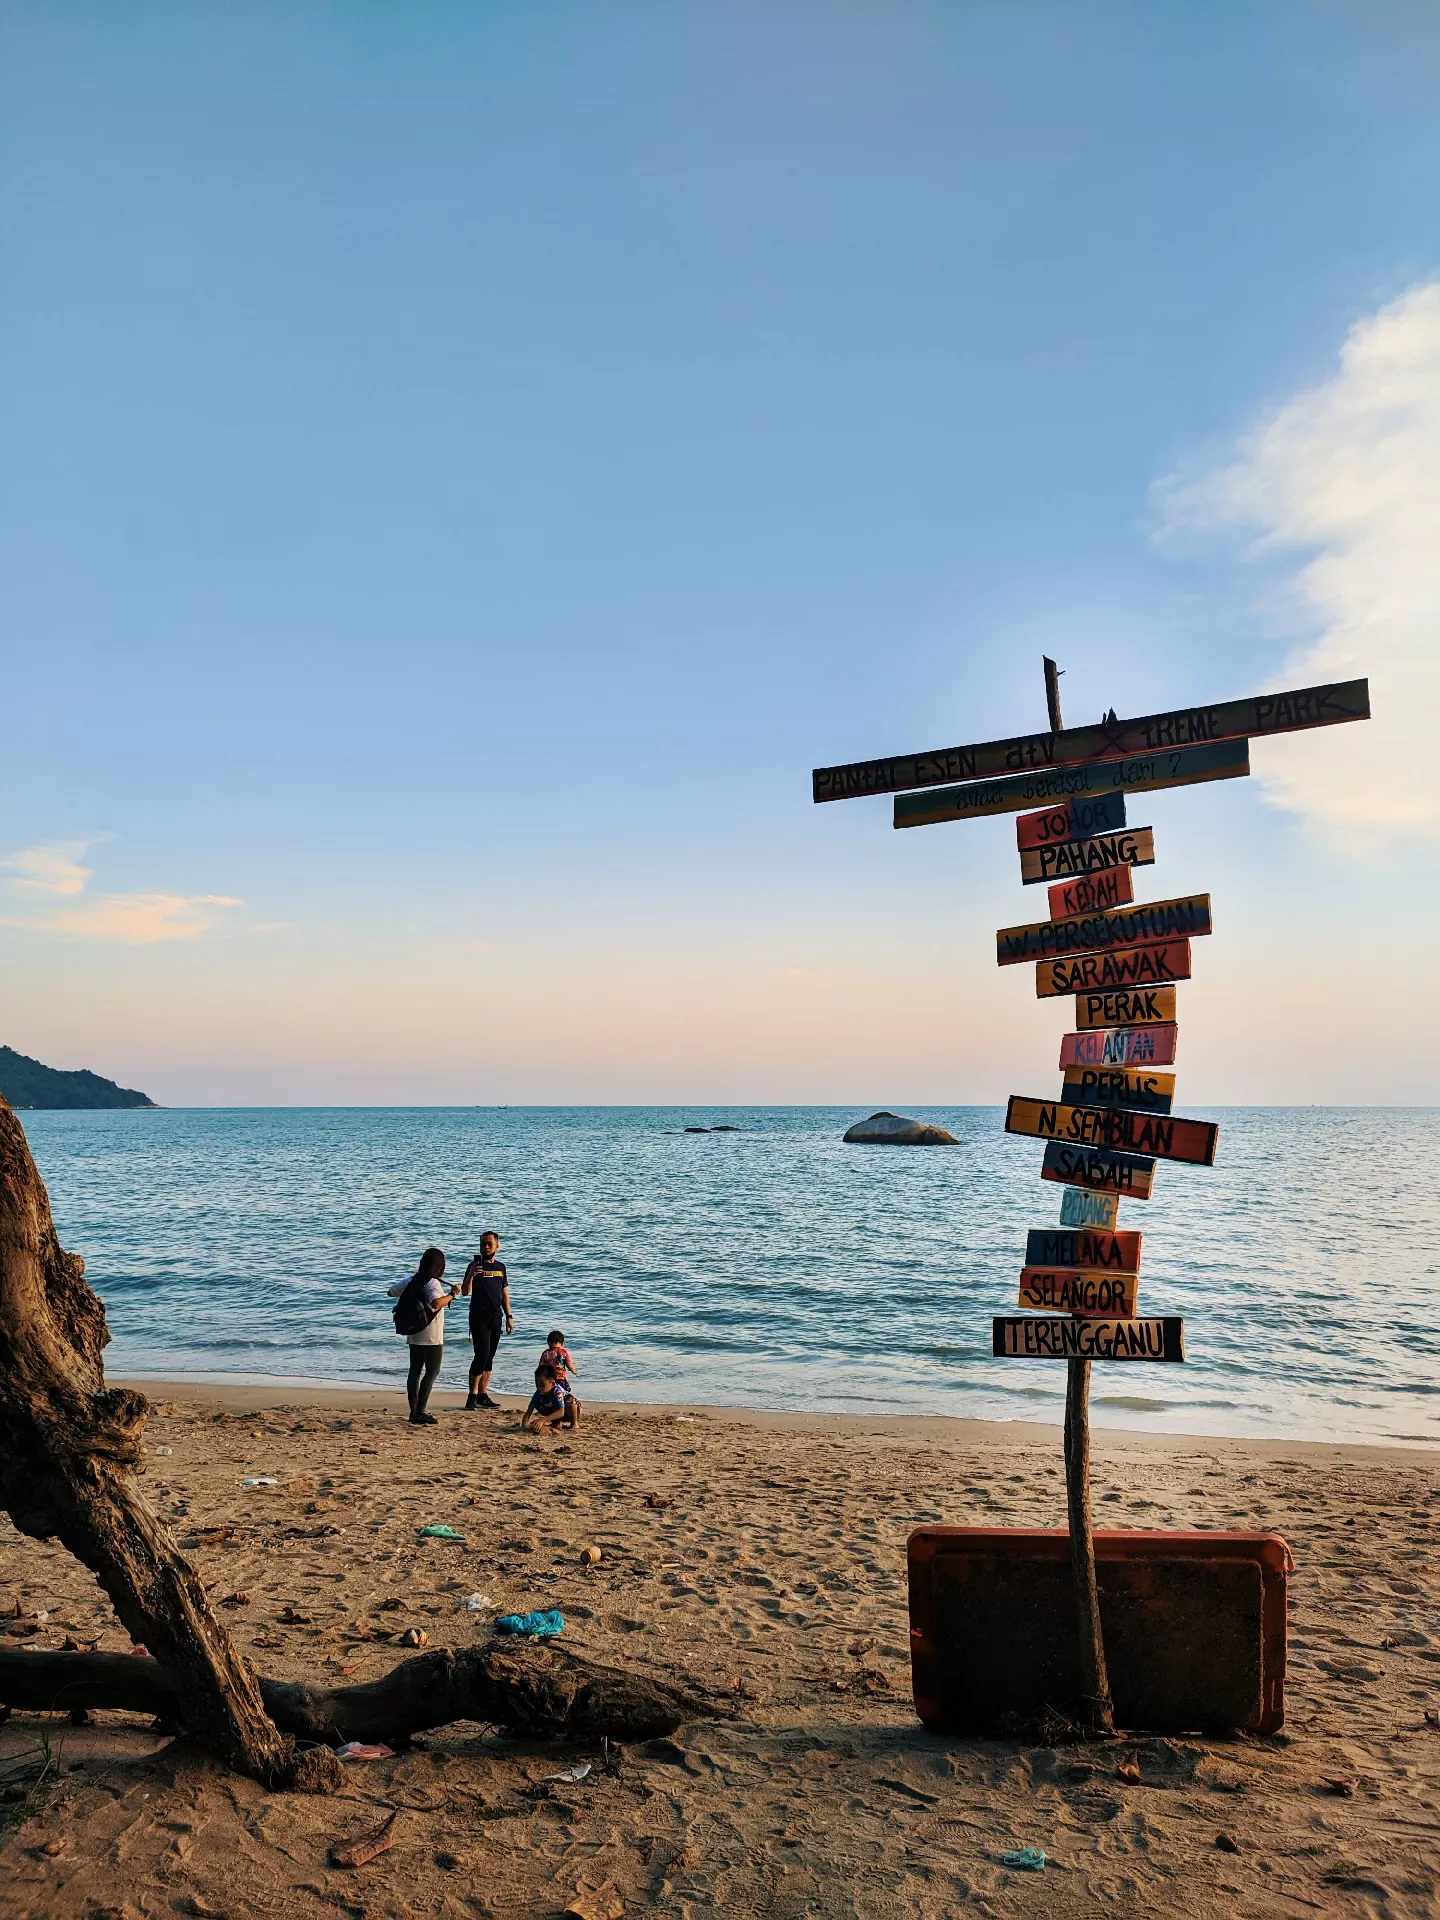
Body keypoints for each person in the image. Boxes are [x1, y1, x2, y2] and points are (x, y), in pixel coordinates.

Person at [387, 1247, 462, 1425]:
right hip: (431, 1334)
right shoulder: (433, 1283)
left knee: (415, 1371)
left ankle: (414, 1412)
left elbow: (391, 1292)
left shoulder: (412, 1279)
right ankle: (420, 1412)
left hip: (414, 1331)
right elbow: (436, 1303)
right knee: (432, 1371)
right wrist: (452, 1294)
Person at [461, 1230, 512, 1411]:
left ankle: (483, 1395)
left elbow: (504, 1294)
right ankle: (472, 1396)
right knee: (481, 1355)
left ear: (497, 1245)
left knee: (489, 1357)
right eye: (483, 1243)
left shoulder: (501, 1267)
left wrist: (509, 1317)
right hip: (478, 1316)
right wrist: (471, 1275)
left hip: (496, 1316)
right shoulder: (473, 1266)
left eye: (490, 1243)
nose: (486, 1246)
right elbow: (465, 1292)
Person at [521, 1364, 578, 1434]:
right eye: (537, 1385)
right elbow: (528, 1413)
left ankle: (575, 1423)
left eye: (542, 1385)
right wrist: (523, 1427)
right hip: (555, 1410)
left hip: (569, 1411)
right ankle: (556, 1423)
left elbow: (561, 1412)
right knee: (539, 1403)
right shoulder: (538, 1394)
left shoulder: (557, 1392)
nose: (539, 1388)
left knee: (570, 1400)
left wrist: (543, 1420)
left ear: (553, 1384)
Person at [535, 1329, 580, 1418]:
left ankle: (555, 1418)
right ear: (562, 1343)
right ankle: (561, 1416)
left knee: (551, 1399)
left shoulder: (545, 1353)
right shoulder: (563, 1352)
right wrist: (574, 1370)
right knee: (562, 1398)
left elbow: (541, 1367)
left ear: (548, 1342)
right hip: (560, 1380)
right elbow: (569, 1365)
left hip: (548, 1380)